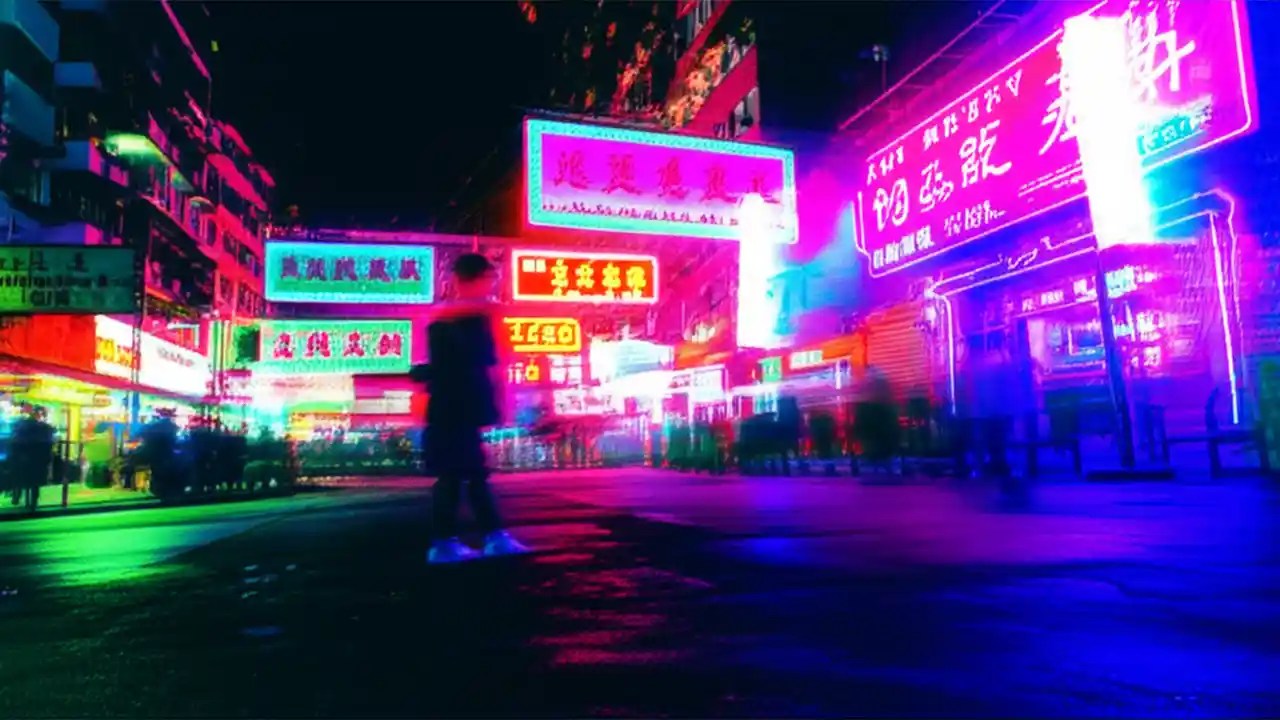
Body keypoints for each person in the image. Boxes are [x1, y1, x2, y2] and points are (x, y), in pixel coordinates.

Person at [413, 253, 527, 564]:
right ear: (477, 279)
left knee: (458, 474)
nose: (492, 285)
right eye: (490, 279)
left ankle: (454, 542)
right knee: (470, 474)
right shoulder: (484, 314)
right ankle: (485, 539)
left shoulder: (439, 317)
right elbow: (492, 362)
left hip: (444, 406)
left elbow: (433, 366)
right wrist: (503, 400)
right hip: (464, 405)